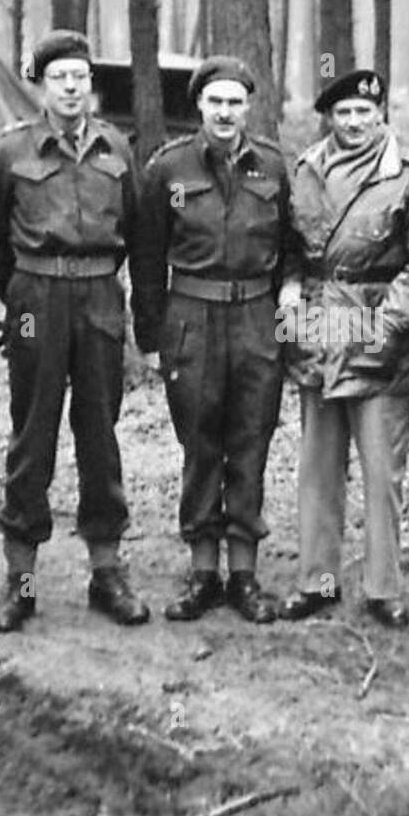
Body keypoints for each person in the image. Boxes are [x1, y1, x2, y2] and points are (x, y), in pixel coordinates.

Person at [0, 29, 147, 633]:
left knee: (101, 435)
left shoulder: (117, 149)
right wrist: (21, 295)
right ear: (41, 87)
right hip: (34, 297)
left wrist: (104, 287)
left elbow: (135, 228)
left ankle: (107, 573)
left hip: (100, 296)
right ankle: (21, 581)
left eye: (80, 77)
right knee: (33, 435)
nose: (71, 88)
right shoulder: (10, 151)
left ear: (90, 86)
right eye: (58, 79)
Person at [132, 56, 290, 624]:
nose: (225, 113)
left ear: (249, 107)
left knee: (250, 441)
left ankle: (244, 576)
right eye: (215, 102)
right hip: (191, 318)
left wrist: (286, 315)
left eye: (235, 102)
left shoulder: (272, 165)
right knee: (200, 443)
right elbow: (147, 258)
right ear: (199, 105)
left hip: (255, 317)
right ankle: (203, 573)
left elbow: (290, 251)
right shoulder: (168, 168)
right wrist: (151, 338)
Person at [279, 69, 409, 630]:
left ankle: (382, 588)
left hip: (379, 339)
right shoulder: (306, 169)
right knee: (318, 470)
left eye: (364, 113)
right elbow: (292, 251)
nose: (353, 123)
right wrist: (292, 295)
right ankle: (318, 580)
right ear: (330, 117)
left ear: (381, 116)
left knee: (381, 472)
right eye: (343, 113)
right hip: (319, 335)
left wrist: (384, 327)